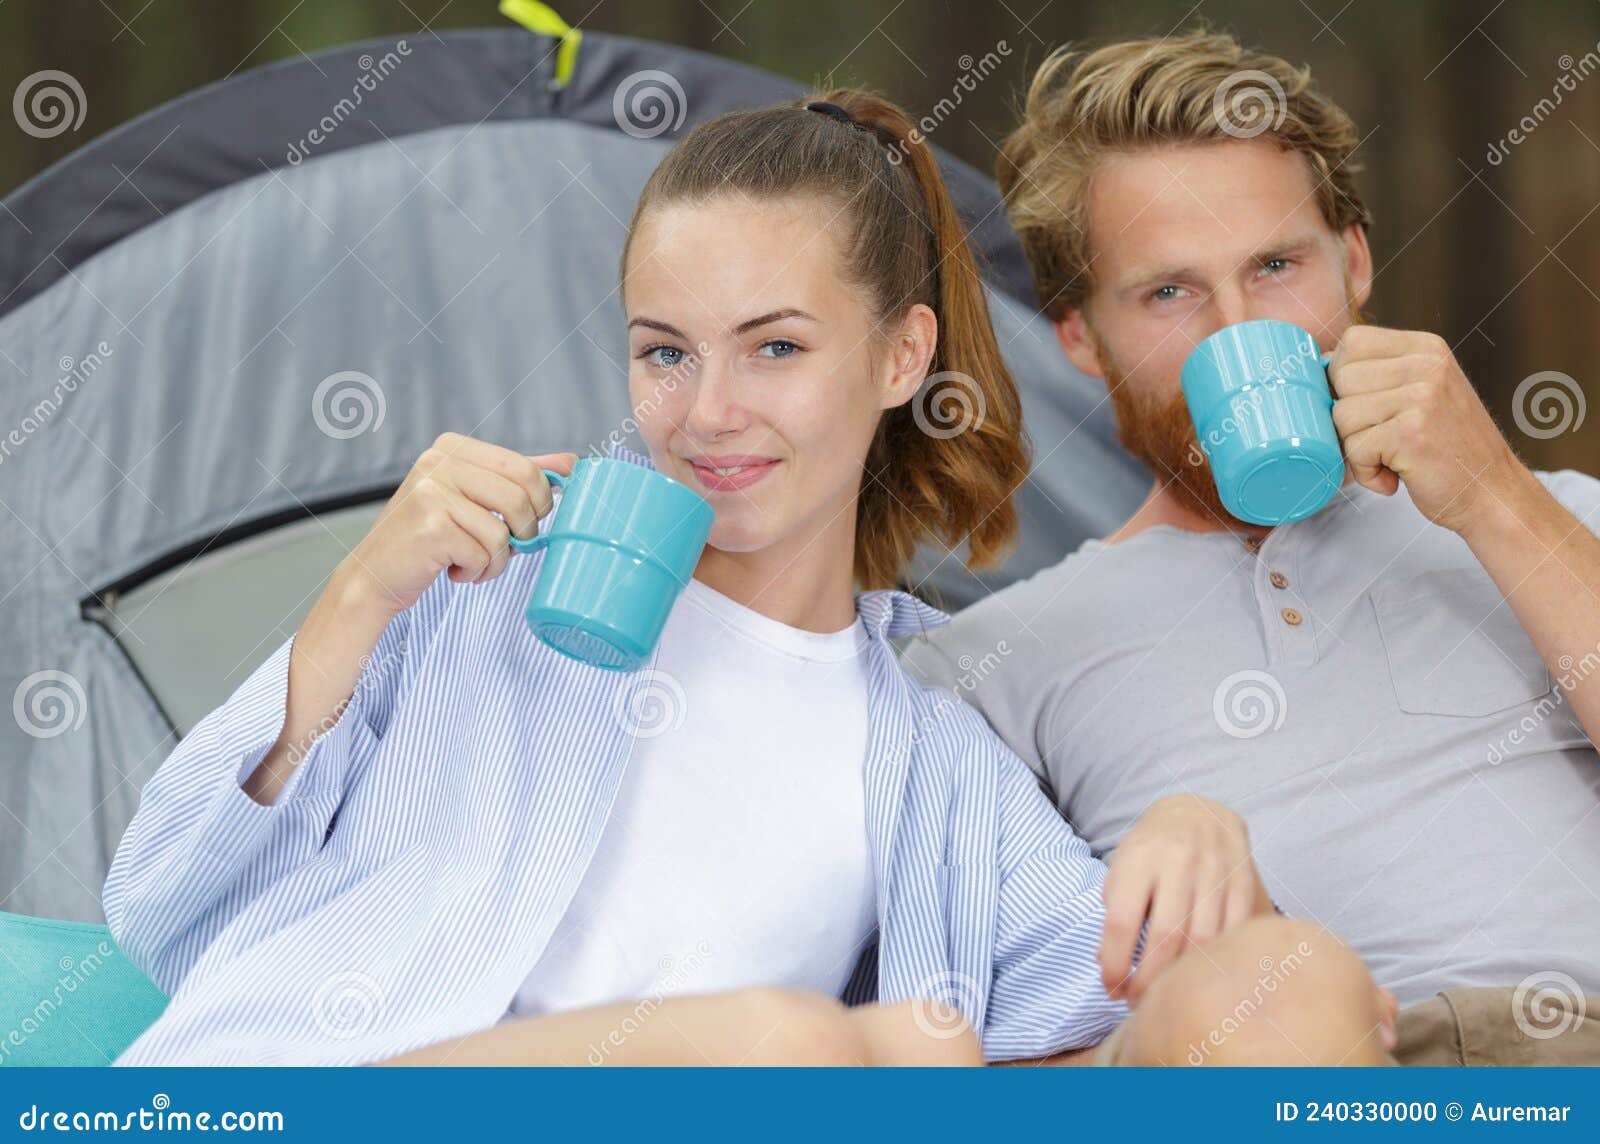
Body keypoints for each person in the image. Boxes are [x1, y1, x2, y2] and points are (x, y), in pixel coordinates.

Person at [103, 88, 1390, 1067]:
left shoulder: (934, 760)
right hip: (282, 1102)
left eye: (774, 347)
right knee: (816, 1044)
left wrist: (1193, 830)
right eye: (665, 352)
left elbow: (1165, 1001)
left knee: (966, 1032)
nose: (707, 411)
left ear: (901, 357)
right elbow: (161, 907)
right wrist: (354, 600)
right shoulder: (470, 601)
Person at [902, 31, 1600, 1065]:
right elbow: (969, 1043)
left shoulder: (1555, 518)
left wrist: (1494, 499)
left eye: (1275, 266)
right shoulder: (986, 665)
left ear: (1352, 263)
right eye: (1169, 292)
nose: (1236, 330)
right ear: (1079, 336)